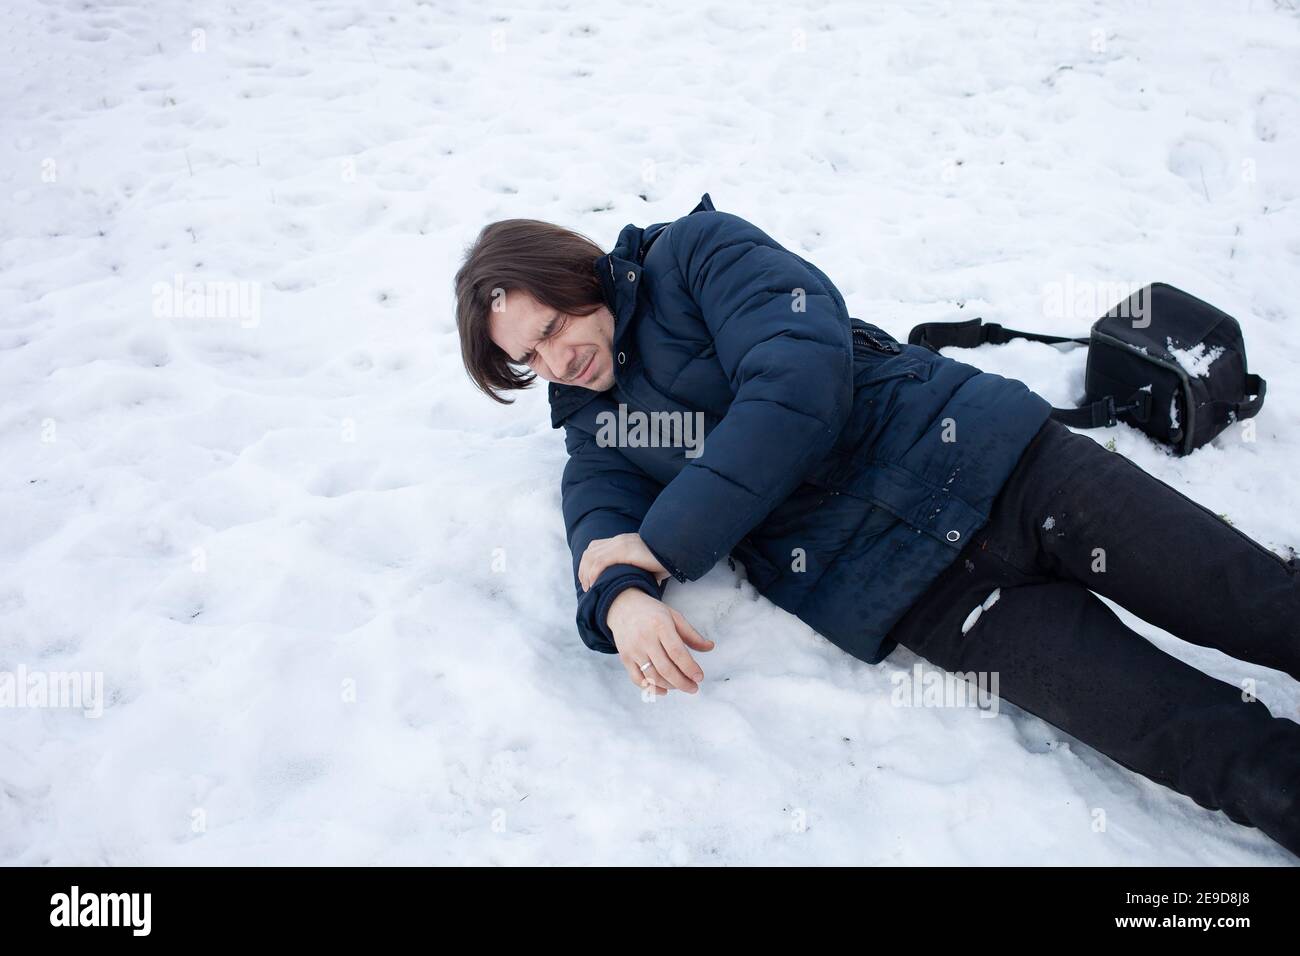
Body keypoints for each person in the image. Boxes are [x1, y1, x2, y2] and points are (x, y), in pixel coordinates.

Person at [453, 192, 1300, 857]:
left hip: (1006, 464)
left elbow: (799, 380)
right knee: (1202, 747)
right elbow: (599, 533)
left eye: (555, 326)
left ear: (579, 275)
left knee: (1256, 600)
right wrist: (623, 600)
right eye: (530, 357)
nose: (557, 360)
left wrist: (665, 540)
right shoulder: (597, 428)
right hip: (930, 600)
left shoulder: (696, 256)